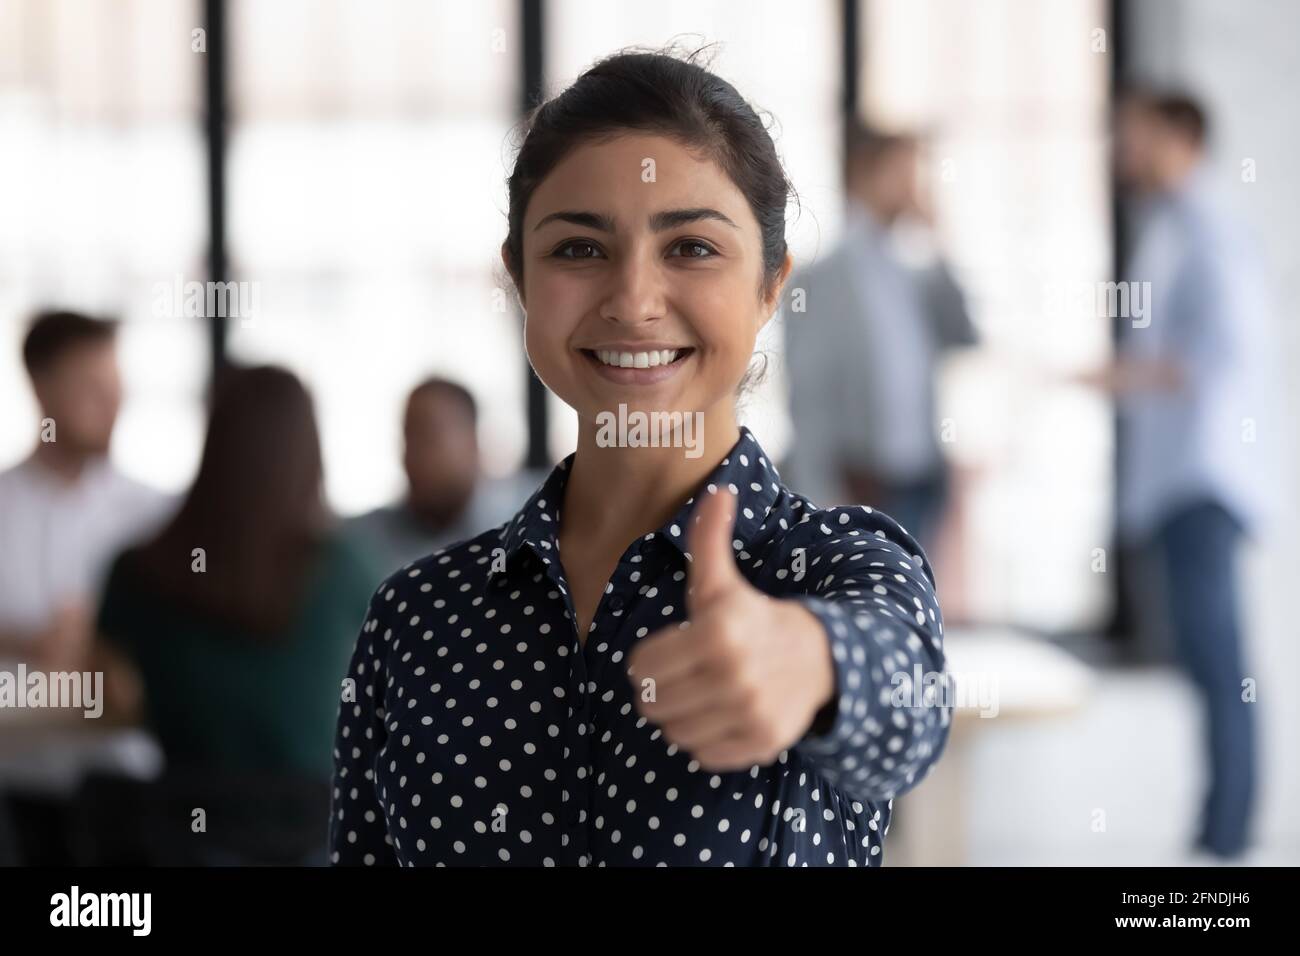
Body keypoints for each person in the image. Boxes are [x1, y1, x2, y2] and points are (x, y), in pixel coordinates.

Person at [330, 48, 953, 867]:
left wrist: (812, 663)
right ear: (518, 277)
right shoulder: (415, 617)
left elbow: (910, 705)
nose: (632, 300)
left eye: (691, 247)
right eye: (579, 250)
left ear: (771, 286)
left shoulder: (836, 569)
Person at [1080, 88, 1279, 860]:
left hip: (1204, 480)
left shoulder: (1210, 225)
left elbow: (1224, 350)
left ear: (1178, 133)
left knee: (1222, 667)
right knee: (1208, 669)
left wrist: (1112, 377)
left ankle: (1224, 845)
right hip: (1181, 482)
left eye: (1132, 135)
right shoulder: (1172, 223)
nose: (1122, 151)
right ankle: (1215, 836)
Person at [96, 365, 378, 781]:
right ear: (310, 451)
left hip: (184, 826)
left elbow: (107, 688)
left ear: (212, 442)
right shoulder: (345, 568)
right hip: (316, 830)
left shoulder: (139, 570)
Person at [784, 124, 976, 552]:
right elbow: (809, 390)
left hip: (921, 478)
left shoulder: (914, 271)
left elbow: (965, 336)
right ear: (863, 175)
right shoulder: (820, 278)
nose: (913, 186)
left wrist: (939, 238)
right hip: (859, 483)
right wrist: (821, 497)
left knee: (912, 607)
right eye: (902, 172)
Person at [0, 310, 175, 671]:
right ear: (40, 387)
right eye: (92, 390)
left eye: (116, 391)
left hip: (120, 729)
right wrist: (22, 641)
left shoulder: (153, 513)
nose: (112, 408)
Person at [347, 377, 537, 573]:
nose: (414, 453)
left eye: (429, 436)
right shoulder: (363, 541)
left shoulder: (527, 521)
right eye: (408, 436)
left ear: (472, 443)